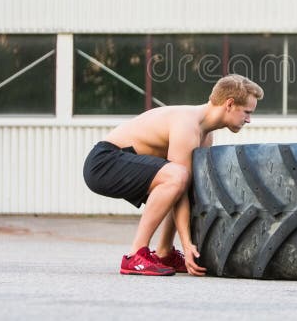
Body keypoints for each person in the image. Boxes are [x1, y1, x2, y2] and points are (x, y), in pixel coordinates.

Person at [83, 74, 264, 276]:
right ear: (229, 104)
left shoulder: (205, 133)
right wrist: (187, 244)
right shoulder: (187, 125)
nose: (249, 119)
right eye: (247, 112)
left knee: (182, 183)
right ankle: (135, 255)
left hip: (123, 161)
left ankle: (164, 252)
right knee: (177, 176)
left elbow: (182, 192)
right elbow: (178, 179)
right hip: (104, 162)